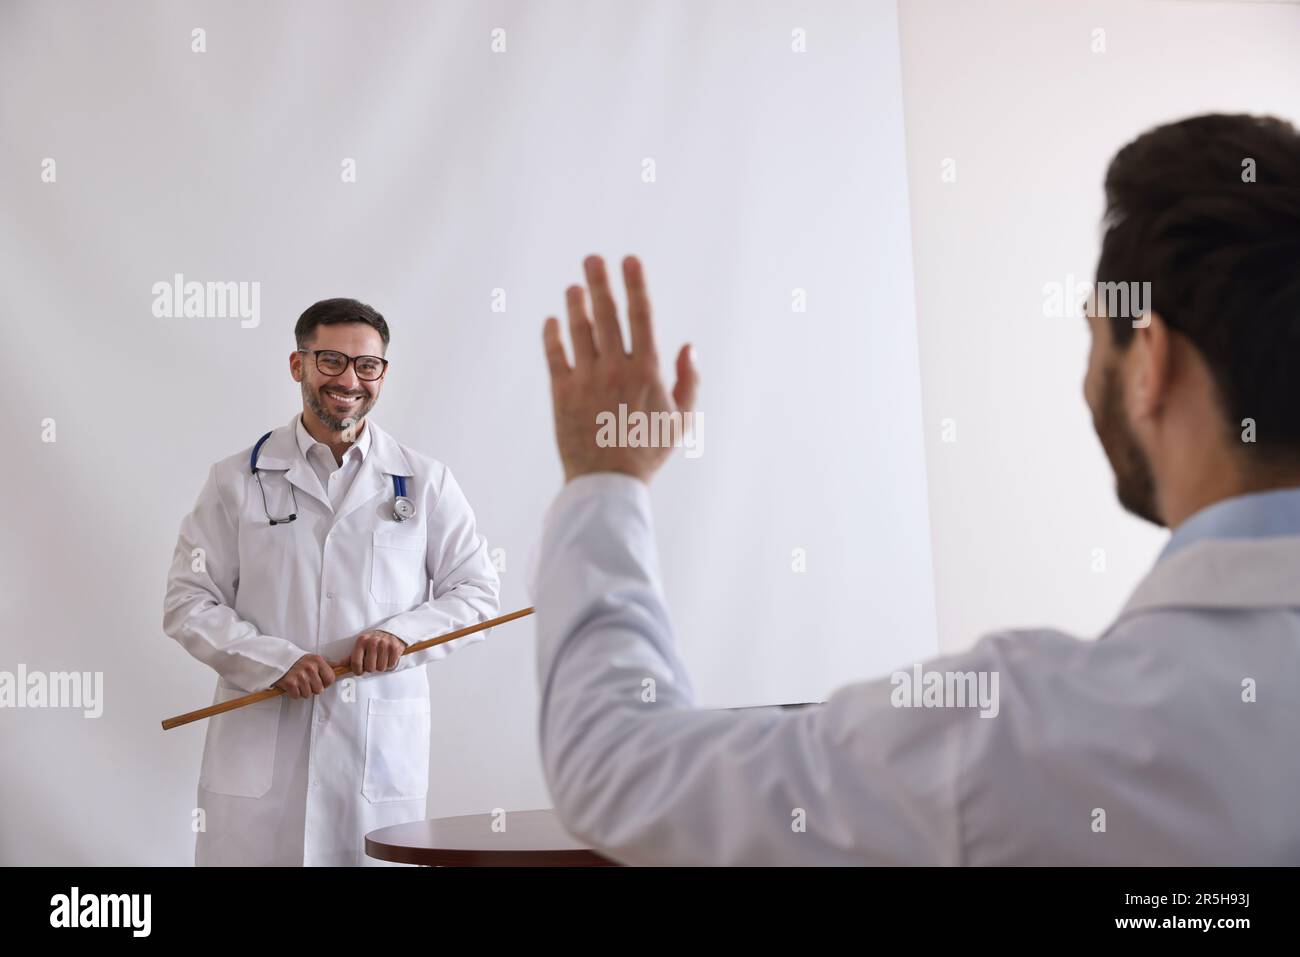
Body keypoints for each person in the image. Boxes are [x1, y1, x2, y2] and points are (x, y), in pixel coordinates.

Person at [533, 113, 1300, 864]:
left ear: (1150, 362)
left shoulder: (1022, 736)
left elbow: (619, 766)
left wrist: (608, 477)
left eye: (1095, 333)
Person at [163, 298, 500, 866]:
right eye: (330, 360)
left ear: (382, 374)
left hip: (375, 756)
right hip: (262, 752)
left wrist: (404, 634)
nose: (349, 379)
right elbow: (188, 601)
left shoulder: (423, 482)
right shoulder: (235, 480)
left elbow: (477, 594)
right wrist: (273, 661)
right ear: (298, 365)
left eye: (366, 365)